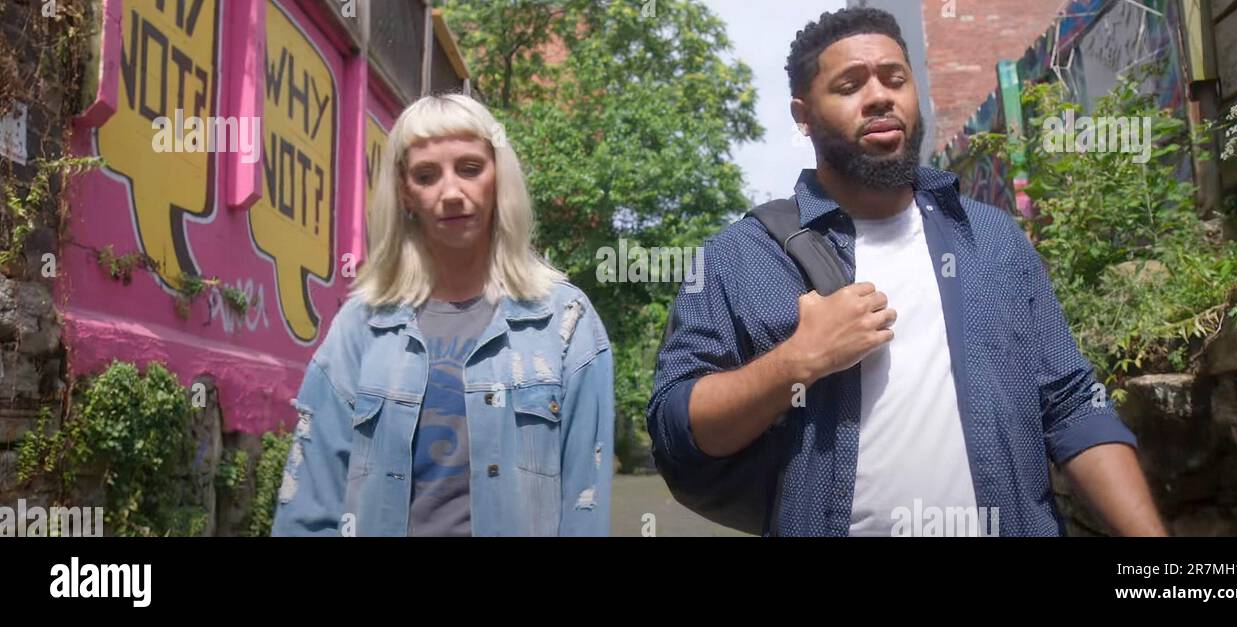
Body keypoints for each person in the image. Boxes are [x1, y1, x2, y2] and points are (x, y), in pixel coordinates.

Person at [647, 7, 1166, 537]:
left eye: (895, 78)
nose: (879, 96)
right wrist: (796, 363)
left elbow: (1073, 405)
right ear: (803, 115)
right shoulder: (744, 256)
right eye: (849, 85)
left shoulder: (992, 239)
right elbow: (675, 427)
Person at [273, 94, 614, 537]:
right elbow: (307, 506)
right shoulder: (362, 327)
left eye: (470, 168)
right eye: (426, 175)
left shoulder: (564, 323)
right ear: (404, 191)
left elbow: (585, 507)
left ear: (499, 177)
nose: (452, 193)